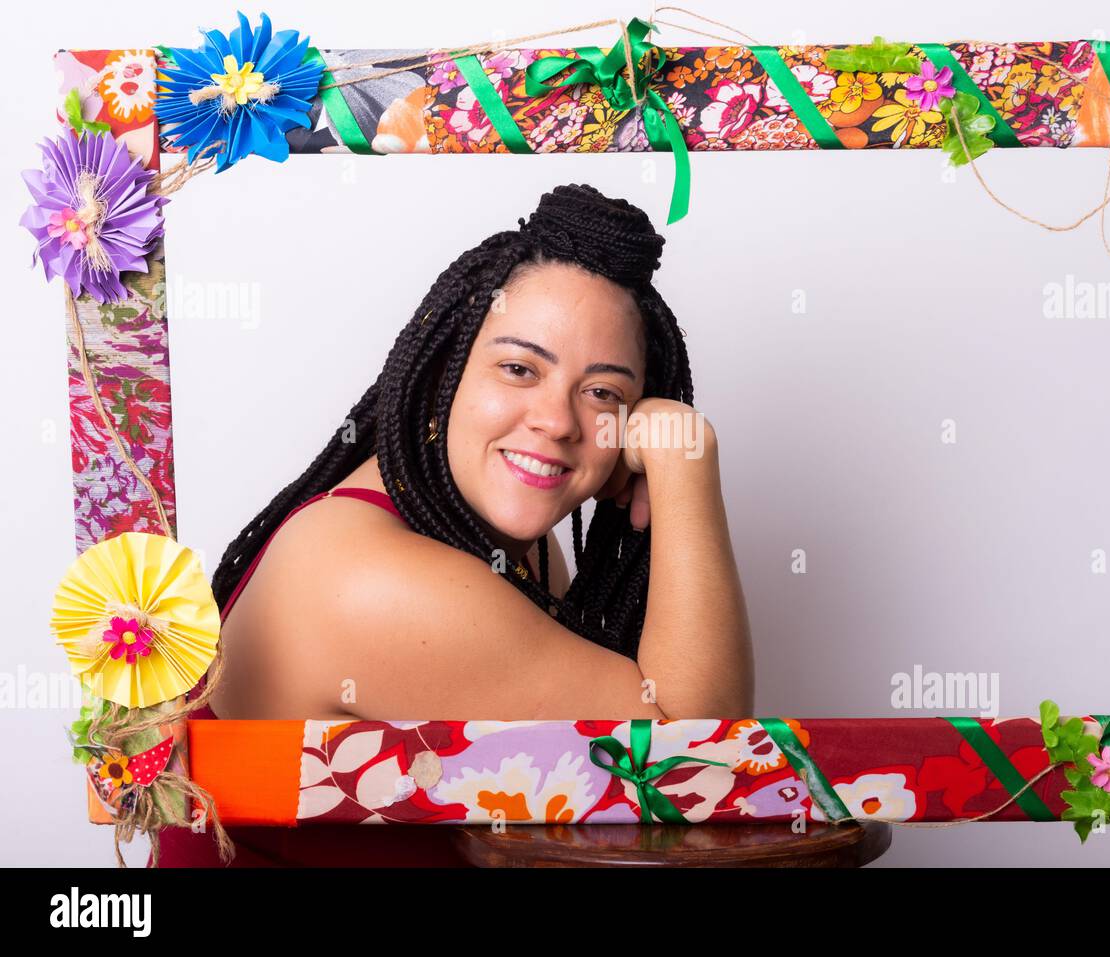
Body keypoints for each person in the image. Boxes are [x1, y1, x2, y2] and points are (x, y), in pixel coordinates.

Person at [152, 183, 753, 866]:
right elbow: (704, 762)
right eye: (520, 367)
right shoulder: (376, 581)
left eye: (603, 392)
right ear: (444, 371)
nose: (558, 421)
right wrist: (685, 463)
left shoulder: (506, 551)